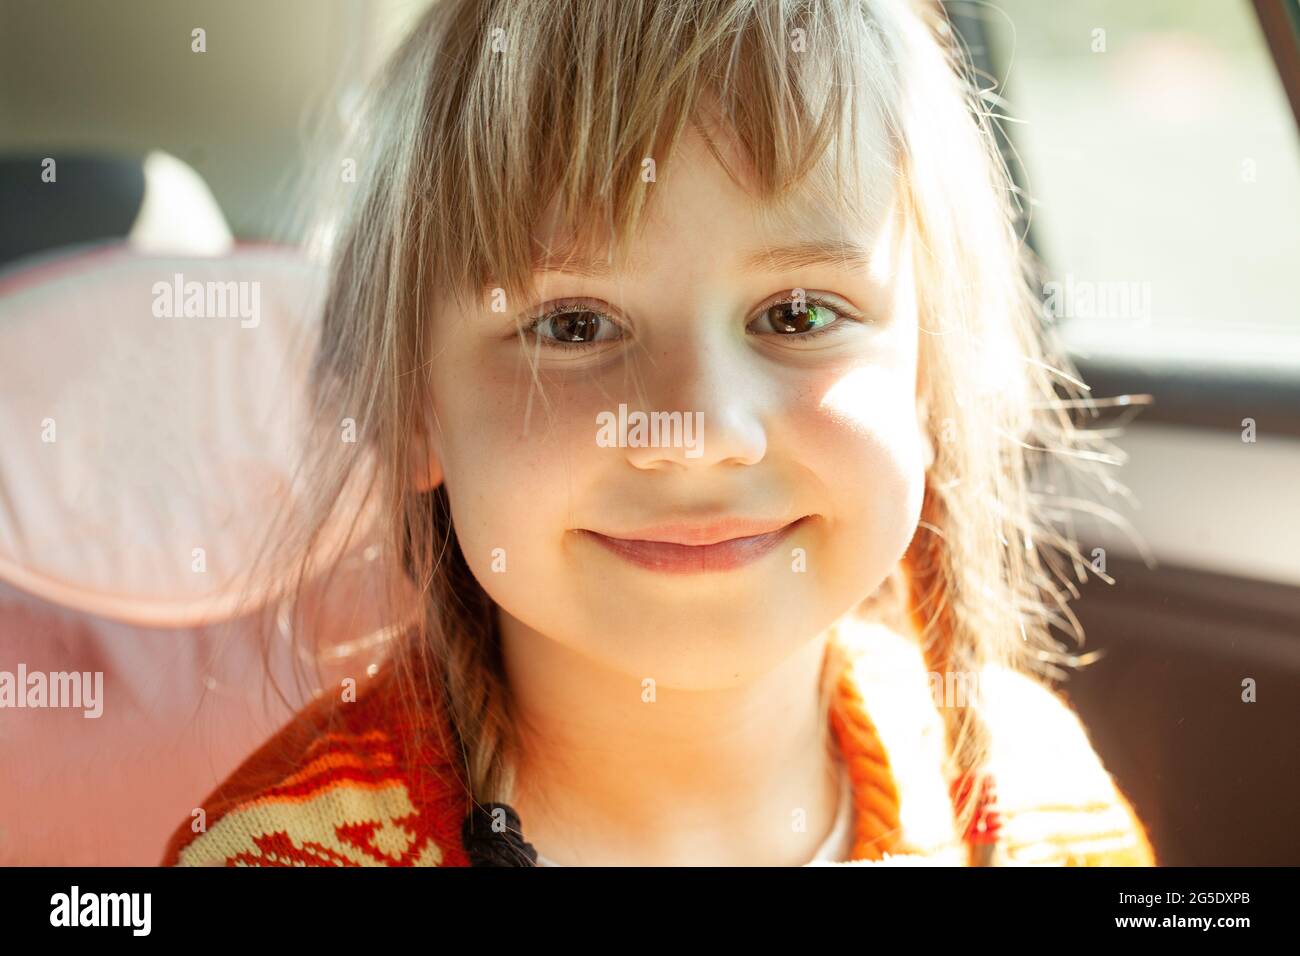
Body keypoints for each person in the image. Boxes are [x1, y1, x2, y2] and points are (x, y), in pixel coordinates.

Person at [162, 0, 1157, 867]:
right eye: (574, 324)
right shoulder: (282, 854)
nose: (697, 432)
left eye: (799, 313)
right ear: (412, 405)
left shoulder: (1036, 805)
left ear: (926, 378)